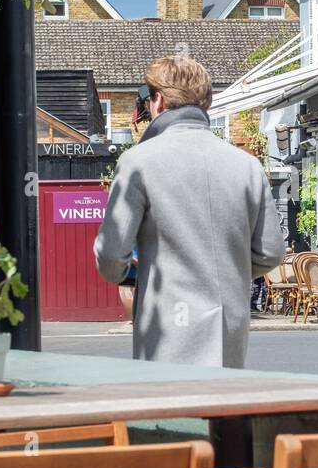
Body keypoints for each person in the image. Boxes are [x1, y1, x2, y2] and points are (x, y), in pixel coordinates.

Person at [95, 55, 286, 367]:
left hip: (168, 324)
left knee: (169, 412)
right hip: (229, 325)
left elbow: (110, 255)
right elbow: (271, 252)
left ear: (157, 101)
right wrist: (222, 271)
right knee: (222, 412)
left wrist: (139, 274)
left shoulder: (138, 162)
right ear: (205, 102)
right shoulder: (247, 165)